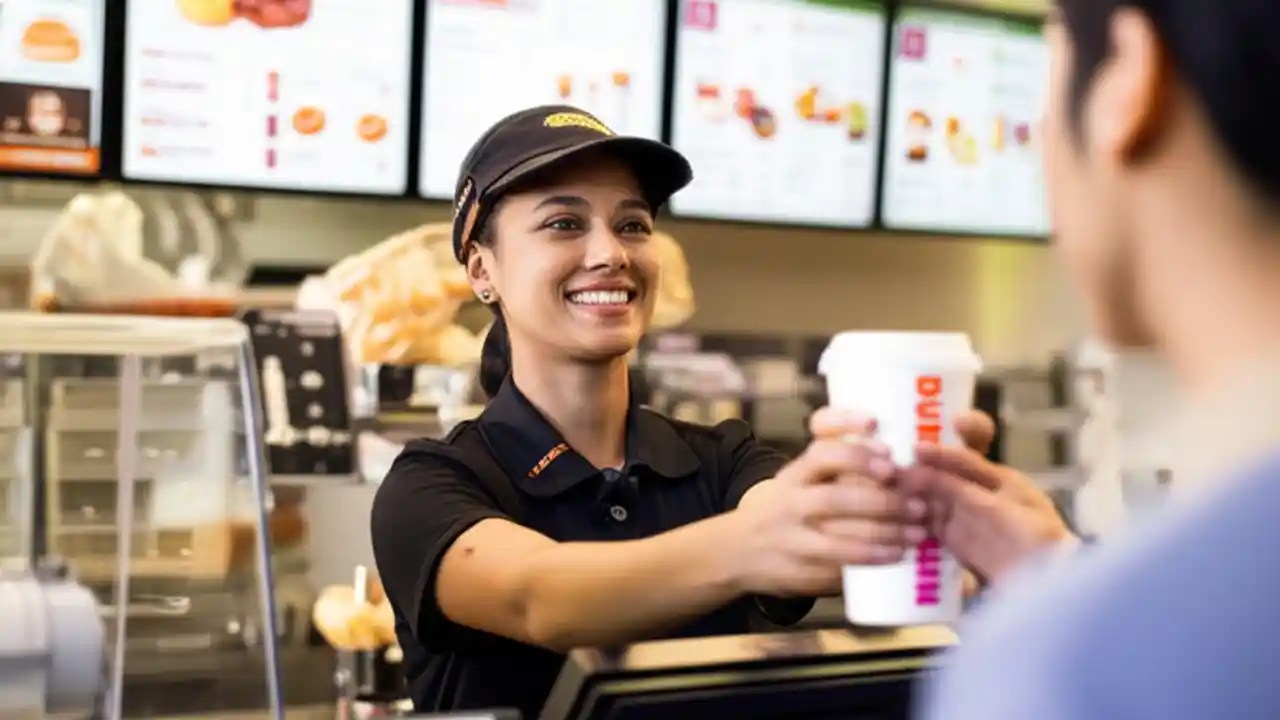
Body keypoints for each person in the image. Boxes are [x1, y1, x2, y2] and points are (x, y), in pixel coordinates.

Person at [914, 1, 1280, 717]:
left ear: (1128, 80)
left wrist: (1083, 608)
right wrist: (1062, 569)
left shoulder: (1059, 669)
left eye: (1045, 73)